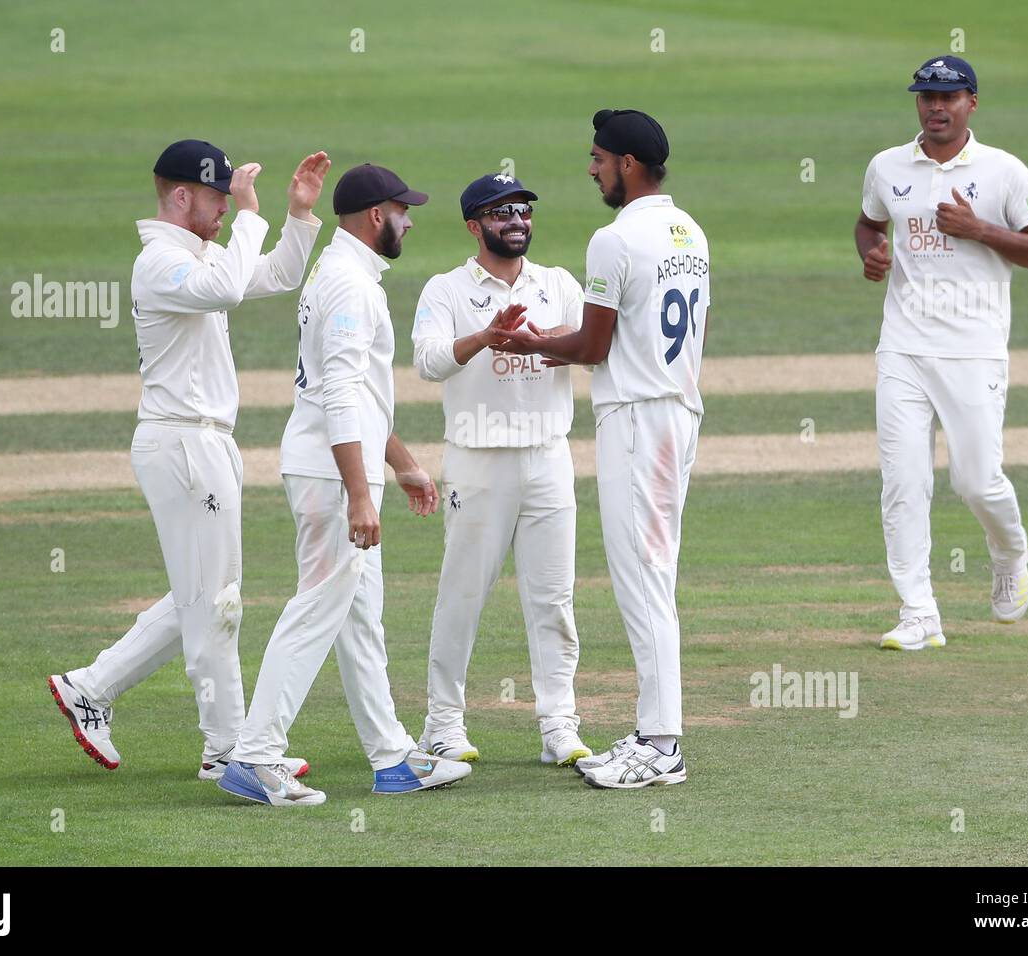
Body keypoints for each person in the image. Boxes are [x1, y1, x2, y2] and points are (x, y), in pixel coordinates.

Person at [48, 140, 329, 780]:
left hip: (205, 442)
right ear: (182, 196)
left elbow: (277, 276)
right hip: (181, 443)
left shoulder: (199, 256)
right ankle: (227, 750)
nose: (227, 208)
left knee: (202, 596)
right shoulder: (159, 263)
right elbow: (230, 288)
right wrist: (255, 215)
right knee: (216, 604)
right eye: (218, 197)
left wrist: (299, 216)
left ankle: (91, 687)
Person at [217, 164, 473, 806]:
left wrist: (402, 463)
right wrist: (360, 493)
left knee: (360, 618)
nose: (409, 220)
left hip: (335, 463)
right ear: (372, 217)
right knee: (319, 607)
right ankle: (254, 756)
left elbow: (357, 394)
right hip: (332, 473)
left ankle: (390, 758)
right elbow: (337, 396)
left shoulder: (346, 276)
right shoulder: (349, 287)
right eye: (400, 210)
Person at [497, 110, 708, 789]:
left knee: (642, 576)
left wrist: (534, 344)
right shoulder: (689, 231)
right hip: (675, 410)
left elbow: (593, 346)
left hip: (638, 422)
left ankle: (663, 746)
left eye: (599, 158)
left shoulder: (613, 240)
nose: (591, 168)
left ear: (629, 164)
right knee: (654, 575)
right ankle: (653, 730)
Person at [855, 56, 1028, 651]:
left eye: (949, 96)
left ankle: (1009, 552)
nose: (936, 107)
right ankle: (918, 612)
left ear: (972, 102)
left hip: (974, 351)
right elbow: (869, 224)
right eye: (926, 97)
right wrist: (872, 252)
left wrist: (982, 231)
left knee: (975, 482)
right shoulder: (887, 165)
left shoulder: (1003, 172)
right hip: (903, 347)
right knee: (902, 482)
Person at [412, 173, 592, 767]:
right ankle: (442, 724)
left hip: (548, 457)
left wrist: (543, 339)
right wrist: (485, 338)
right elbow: (429, 362)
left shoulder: (558, 283)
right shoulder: (447, 289)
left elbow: (589, 342)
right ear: (474, 225)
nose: (516, 220)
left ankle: (558, 727)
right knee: (463, 594)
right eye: (500, 212)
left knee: (553, 600)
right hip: (478, 460)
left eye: (523, 210)